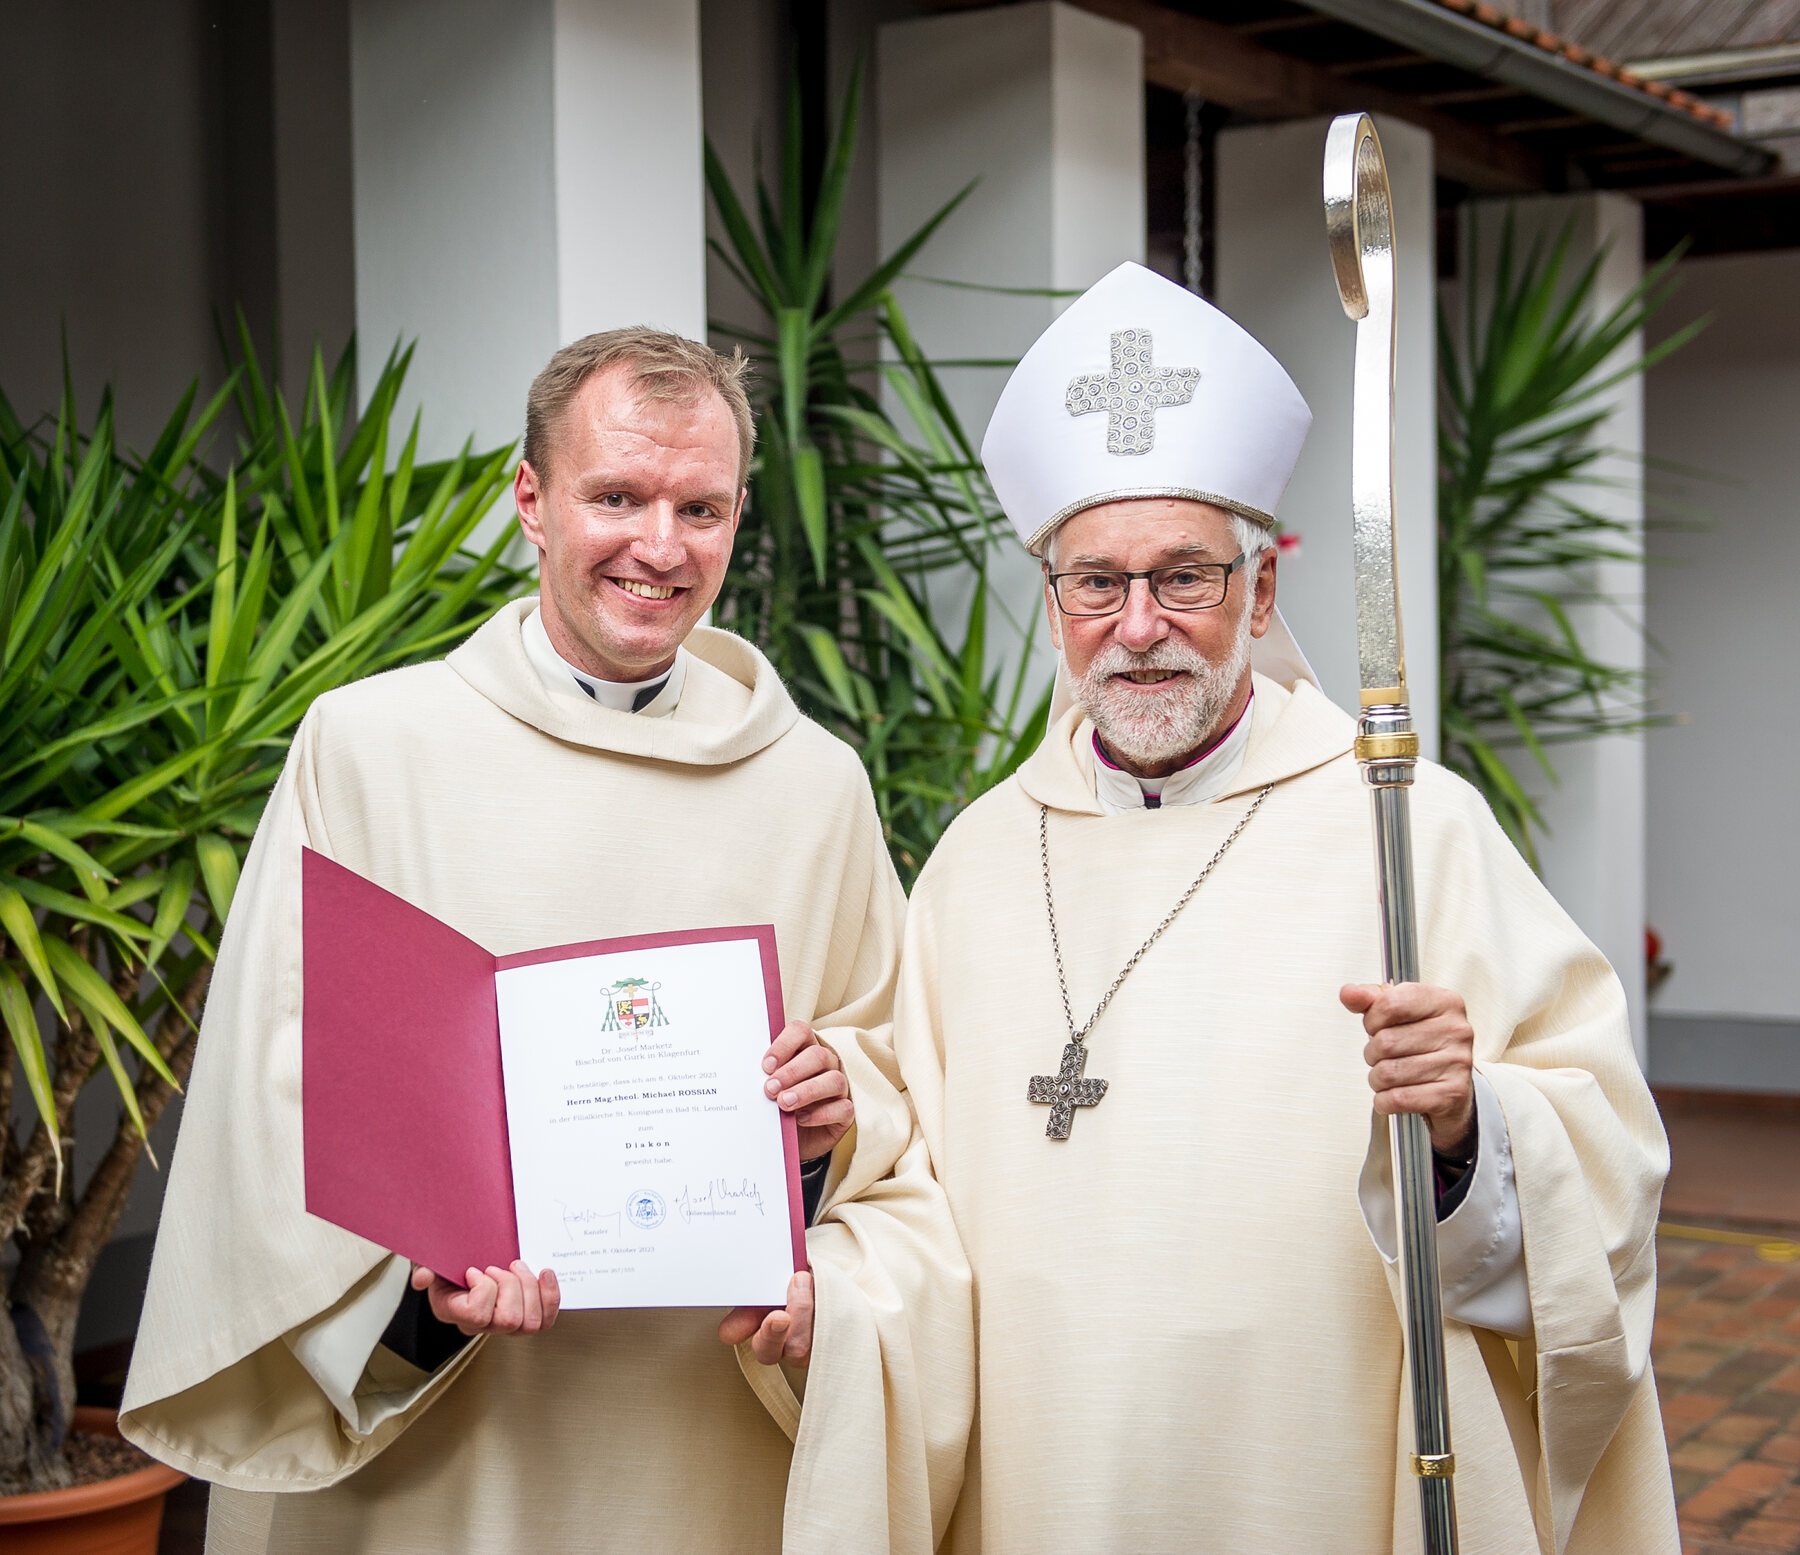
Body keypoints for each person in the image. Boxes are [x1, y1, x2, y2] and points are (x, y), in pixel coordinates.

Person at [866, 262, 1676, 1552]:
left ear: (1262, 590)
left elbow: (1609, 1155)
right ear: (1055, 601)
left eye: (1185, 577)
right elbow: (903, 1182)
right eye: (1096, 583)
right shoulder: (974, 863)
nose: (1139, 626)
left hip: (1311, 1470)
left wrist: (1466, 1121)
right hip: (1044, 1467)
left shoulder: (1409, 827)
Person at [120, 327, 969, 1553]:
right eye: (615, 496)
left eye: (700, 507)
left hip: (699, 1427)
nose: (659, 547)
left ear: (738, 516)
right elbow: (272, 1101)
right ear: (530, 498)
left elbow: (897, 1090)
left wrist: (834, 1106)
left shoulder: (814, 786)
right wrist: (420, 1296)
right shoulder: (371, 752)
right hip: (443, 1455)